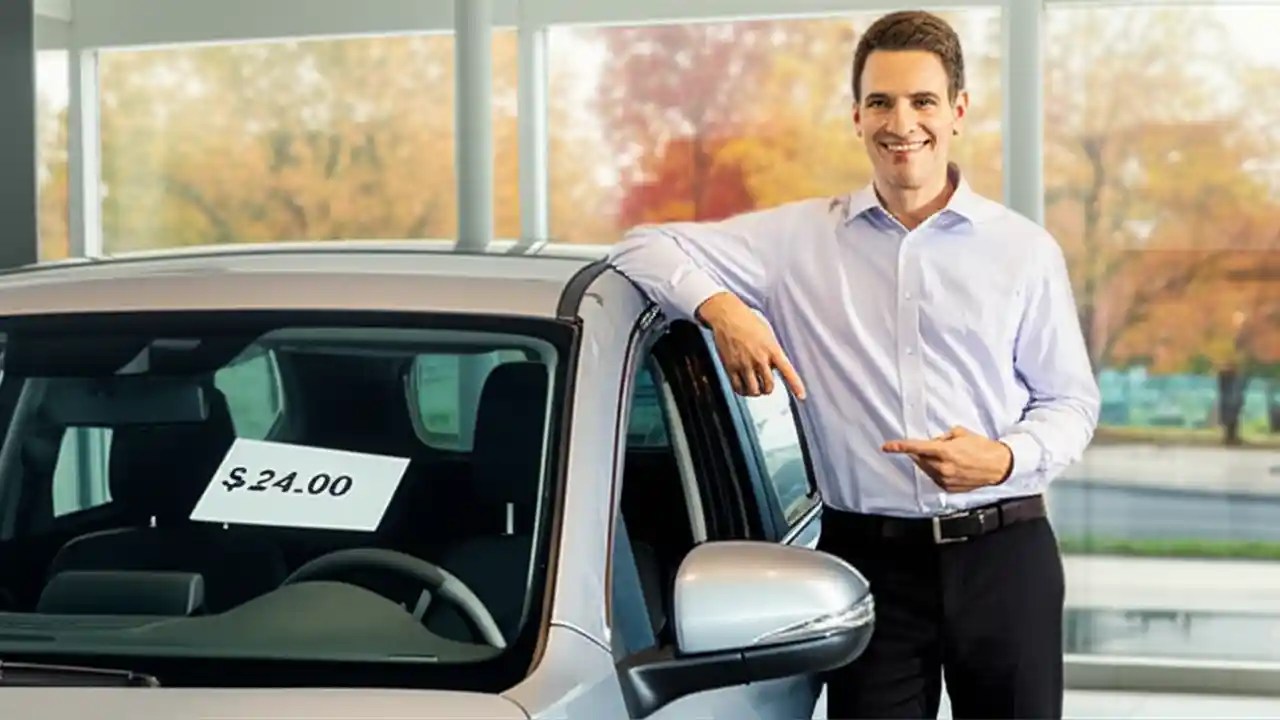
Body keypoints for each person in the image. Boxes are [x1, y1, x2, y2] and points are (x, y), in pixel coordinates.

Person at [604, 9, 1100, 720]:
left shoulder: (1023, 250)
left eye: (923, 101)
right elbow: (638, 247)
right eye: (881, 102)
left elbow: (1071, 403)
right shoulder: (795, 241)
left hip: (1004, 553)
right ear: (857, 118)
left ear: (957, 112)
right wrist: (722, 307)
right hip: (868, 564)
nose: (903, 122)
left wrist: (1001, 457)